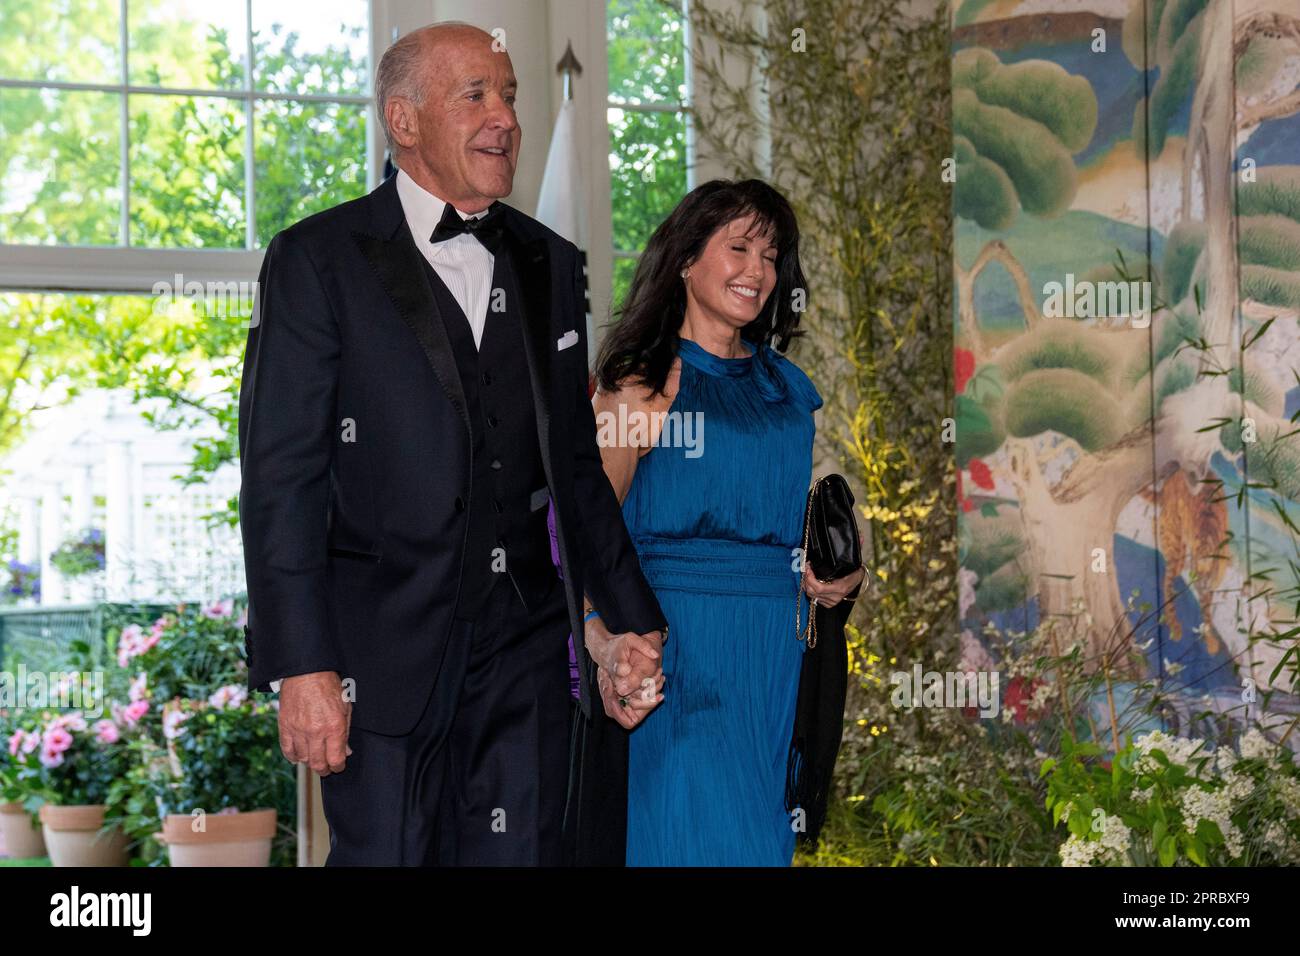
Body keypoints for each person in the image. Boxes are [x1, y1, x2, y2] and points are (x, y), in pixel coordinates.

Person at [237, 21, 665, 866]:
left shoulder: (551, 264)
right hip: (378, 665)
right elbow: (282, 481)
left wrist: (633, 626)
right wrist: (303, 667)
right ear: (404, 120)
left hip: (526, 659)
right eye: (475, 95)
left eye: (508, 95)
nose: (503, 116)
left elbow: (576, 473)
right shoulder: (317, 260)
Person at [591, 179, 865, 865]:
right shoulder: (636, 383)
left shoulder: (785, 388)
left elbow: (780, 526)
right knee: (680, 836)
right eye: (738, 247)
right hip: (674, 656)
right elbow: (582, 537)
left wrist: (835, 581)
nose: (758, 271)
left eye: (772, 256)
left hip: (772, 660)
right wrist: (601, 642)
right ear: (685, 259)